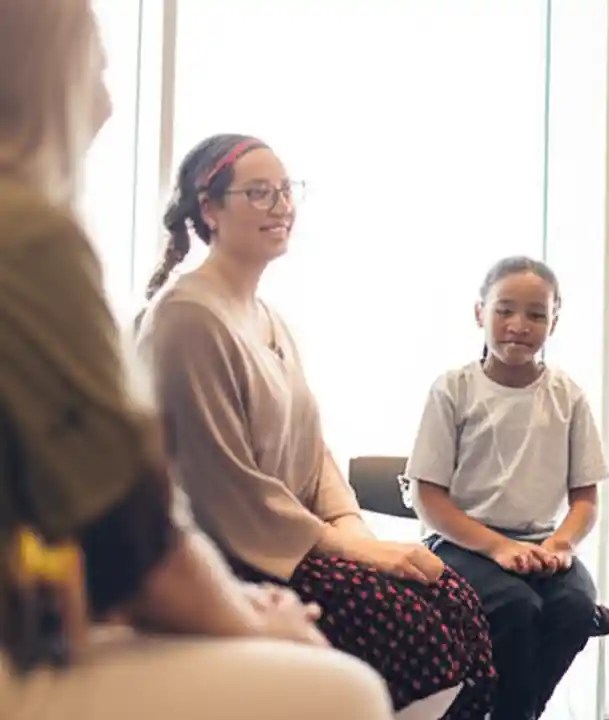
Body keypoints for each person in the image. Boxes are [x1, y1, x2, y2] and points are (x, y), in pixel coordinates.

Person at [0, 2, 393, 719]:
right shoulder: (34, 242)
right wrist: (255, 620)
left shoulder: (273, 319)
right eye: (95, 66)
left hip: (58, 600)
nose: (107, 102)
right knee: (346, 690)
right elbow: (136, 535)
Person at [135, 134, 495, 718]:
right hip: (235, 556)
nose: (281, 206)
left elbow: (313, 448)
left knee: (455, 600)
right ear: (210, 208)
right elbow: (223, 486)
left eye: (286, 190)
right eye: (259, 192)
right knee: (414, 631)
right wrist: (346, 548)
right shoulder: (187, 318)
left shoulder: (267, 316)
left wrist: (355, 530)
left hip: (293, 540)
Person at [405, 256, 608, 720]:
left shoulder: (568, 395)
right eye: (504, 310)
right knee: (516, 608)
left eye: (536, 314)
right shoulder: (453, 389)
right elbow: (428, 498)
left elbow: (585, 499)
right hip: (461, 543)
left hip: (541, 543)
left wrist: (561, 544)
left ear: (554, 321)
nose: (519, 325)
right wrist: (497, 547)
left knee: (576, 607)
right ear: (480, 313)